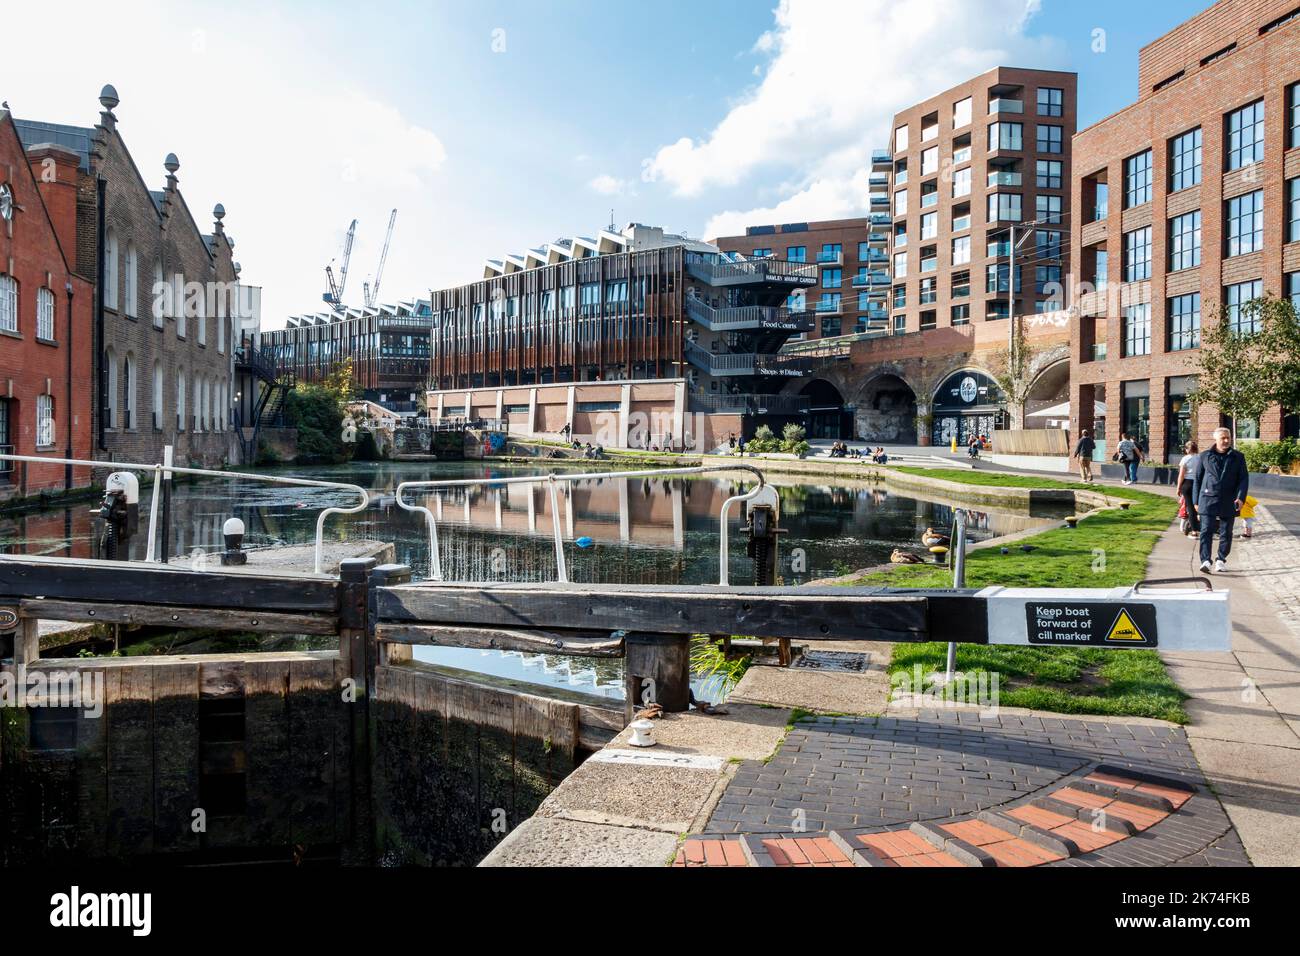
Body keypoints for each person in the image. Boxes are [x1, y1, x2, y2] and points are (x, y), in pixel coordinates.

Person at [1192, 427, 1249, 573]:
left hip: (1229, 499)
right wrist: (1195, 501)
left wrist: (1241, 498)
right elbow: (1197, 479)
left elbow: (1243, 479)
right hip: (1207, 498)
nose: (1226, 440)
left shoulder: (1238, 457)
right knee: (1206, 530)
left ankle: (1221, 560)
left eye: (1228, 438)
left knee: (1226, 532)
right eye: (1223, 438)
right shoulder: (1205, 456)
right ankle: (1205, 561)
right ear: (1216, 439)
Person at [1175, 440, 1200, 537]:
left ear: (1187, 449)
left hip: (1187, 483)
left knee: (1190, 507)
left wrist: (1178, 487)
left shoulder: (1185, 459)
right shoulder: (1200, 458)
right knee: (1198, 505)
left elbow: (1181, 475)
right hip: (1198, 483)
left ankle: (1194, 531)